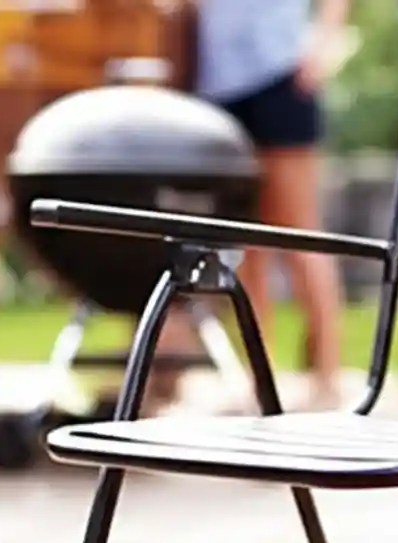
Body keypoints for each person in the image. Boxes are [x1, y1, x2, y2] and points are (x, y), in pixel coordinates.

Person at [154, 0, 350, 412]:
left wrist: (324, 40)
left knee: (300, 234)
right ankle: (259, 376)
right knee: (246, 241)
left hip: (279, 70)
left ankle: (328, 378)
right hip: (217, 83)